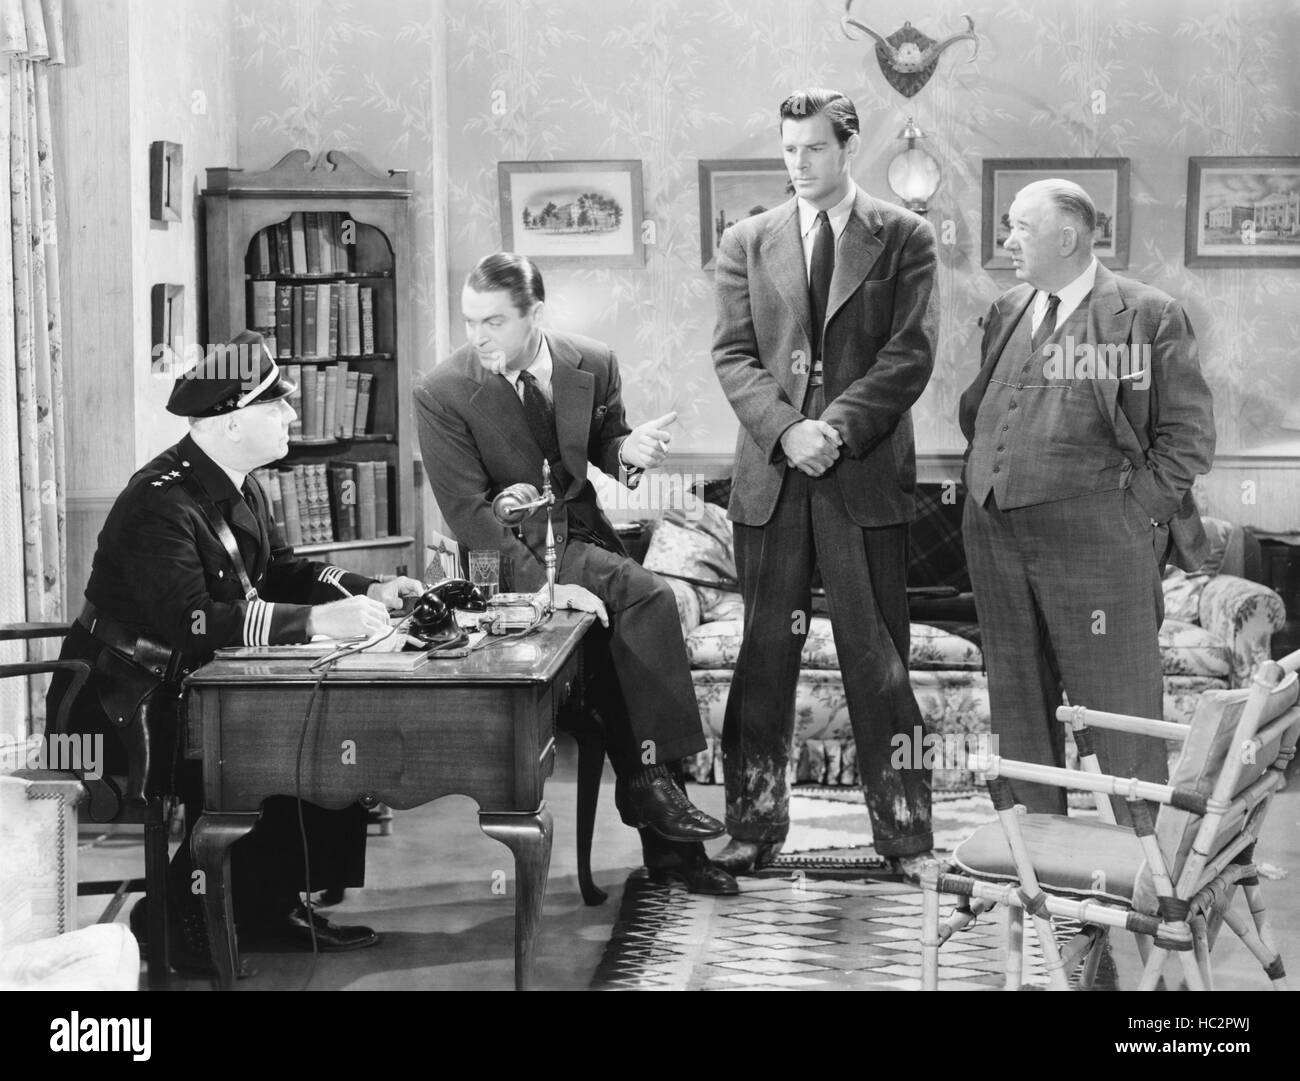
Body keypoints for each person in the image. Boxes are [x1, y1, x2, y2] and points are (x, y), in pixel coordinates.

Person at [46, 329, 424, 977]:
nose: (291, 415)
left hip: (184, 686)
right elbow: (198, 623)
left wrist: (368, 588)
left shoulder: (235, 482)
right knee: (269, 751)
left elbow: (278, 569)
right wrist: (315, 624)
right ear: (226, 424)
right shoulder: (159, 501)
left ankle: (263, 904)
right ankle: (175, 918)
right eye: (275, 406)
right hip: (122, 702)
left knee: (313, 731)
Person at [414, 251, 737, 896]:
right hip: (509, 551)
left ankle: (664, 829)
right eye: (470, 320)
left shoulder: (589, 361)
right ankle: (654, 796)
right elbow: (467, 513)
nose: (479, 337)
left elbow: (608, 452)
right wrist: (545, 586)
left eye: (496, 322)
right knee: (648, 597)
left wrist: (632, 453)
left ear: (537, 313)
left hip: (584, 531)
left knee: (626, 652)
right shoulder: (442, 391)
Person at [710, 87, 938, 877]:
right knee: (762, 659)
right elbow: (733, 356)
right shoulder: (746, 240)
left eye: (813, 148)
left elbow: (909, 355)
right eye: (788, 149)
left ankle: (906, 834)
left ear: (848, 147)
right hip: (772, 480)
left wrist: (830, 429)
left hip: (862, 476)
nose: (799, 163)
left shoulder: (904, 236)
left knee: (879, 664)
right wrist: (787, 431)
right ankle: (752, 822)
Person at [959, 178, 1215, 819]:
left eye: (1020, 227)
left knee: (1120, 714)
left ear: (1066, 236)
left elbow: (1187, 436)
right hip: (994, 536)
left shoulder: (1148, 314)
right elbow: (982, 411)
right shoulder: (1008, 307)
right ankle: (1039, 868)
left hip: (1100, 543)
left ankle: (1139, 880)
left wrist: (1135, 516)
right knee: (1018, 705)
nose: (1008, 240)